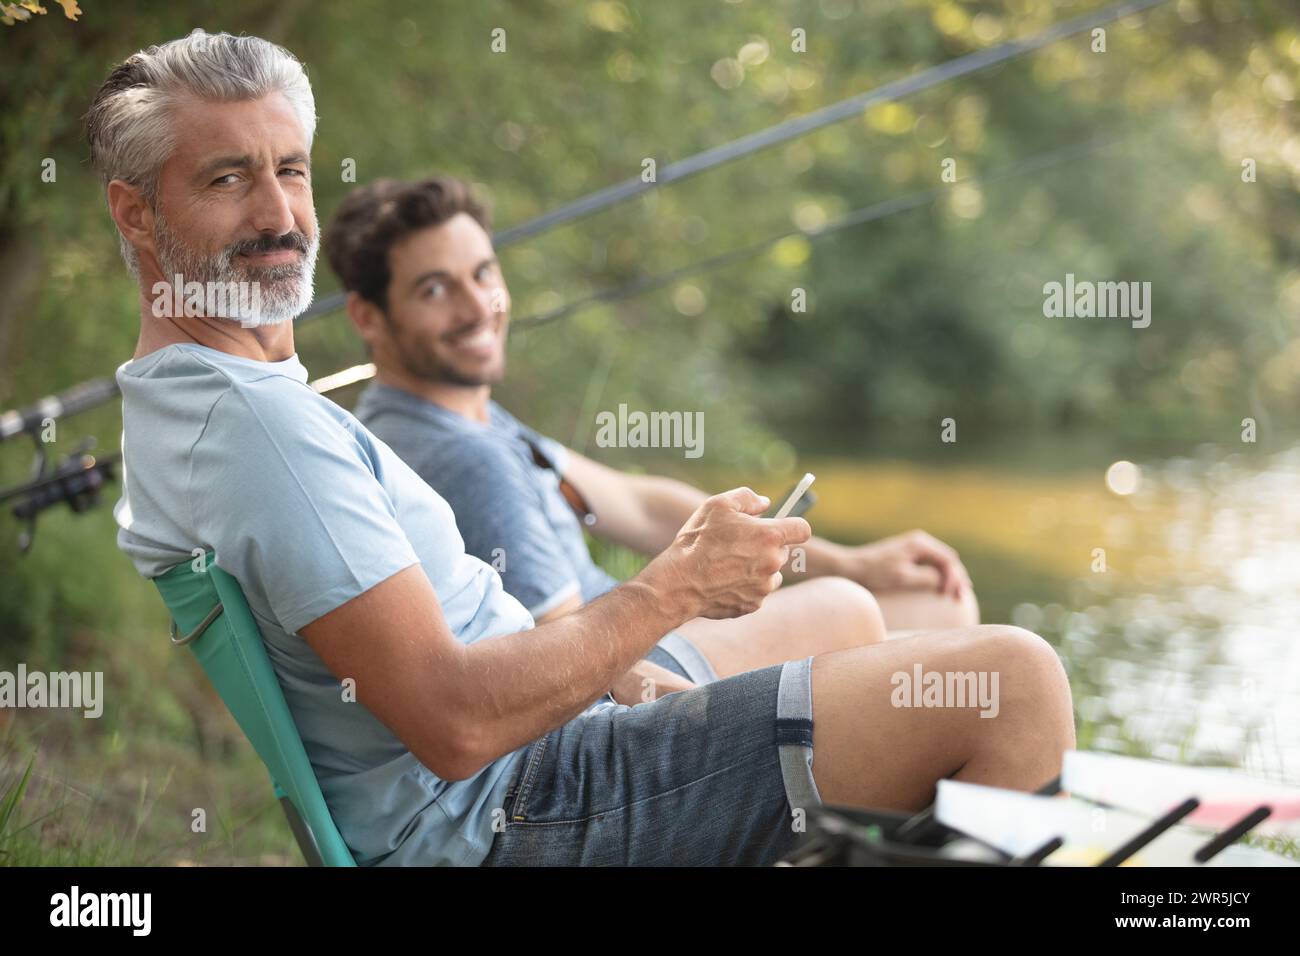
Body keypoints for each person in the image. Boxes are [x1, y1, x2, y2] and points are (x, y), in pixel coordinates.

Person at [98, 29, 1075, 867]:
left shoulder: (202, 401)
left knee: (851, 609)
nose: (278, 215)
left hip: (533, 752)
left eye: (291, 169)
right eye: (228, 178)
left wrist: (638, 650)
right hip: (516, 808)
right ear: (135, 211)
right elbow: (454, 723)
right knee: (1013, 686)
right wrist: (672, 589)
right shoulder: (262, 430)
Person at [329, 175, 980, 698]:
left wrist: (854, 558)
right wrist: (710, 733)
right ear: (370, 317)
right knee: (851, 614)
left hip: (632, 634)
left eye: (483, 274)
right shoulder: (461, 456)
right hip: (620, 661)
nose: (477, 308)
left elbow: (635, 503)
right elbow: (568, 660)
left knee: (929, 603)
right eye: (436, 289)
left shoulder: (458, 413)